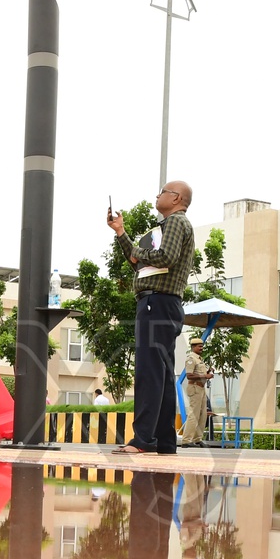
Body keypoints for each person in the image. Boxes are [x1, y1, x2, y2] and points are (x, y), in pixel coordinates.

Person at [108, 182, 195, 454]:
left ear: (177, 198)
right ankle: (164, 441)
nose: (158, 195)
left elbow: (163, 256)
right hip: (163, 303)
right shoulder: (168, 227)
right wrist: (121, 233)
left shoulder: (176, 223)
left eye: (163, 192)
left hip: (156, 302)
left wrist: (137, 252)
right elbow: (140, 261)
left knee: (149, 371)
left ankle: (144, 439)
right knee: (163, 373)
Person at [179, 335, 212, 447]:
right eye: (199, 346)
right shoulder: (191, 359)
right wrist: (205, 376)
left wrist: (207, 372)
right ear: (193, 347)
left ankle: (197, 439)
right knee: (193, 414)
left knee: (203, 415)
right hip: (194, 388)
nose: (201, 348)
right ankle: (186, 440)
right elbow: (189, 375)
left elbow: (200, 374)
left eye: (202, 346)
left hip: (202, 389)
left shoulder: (199, 360)